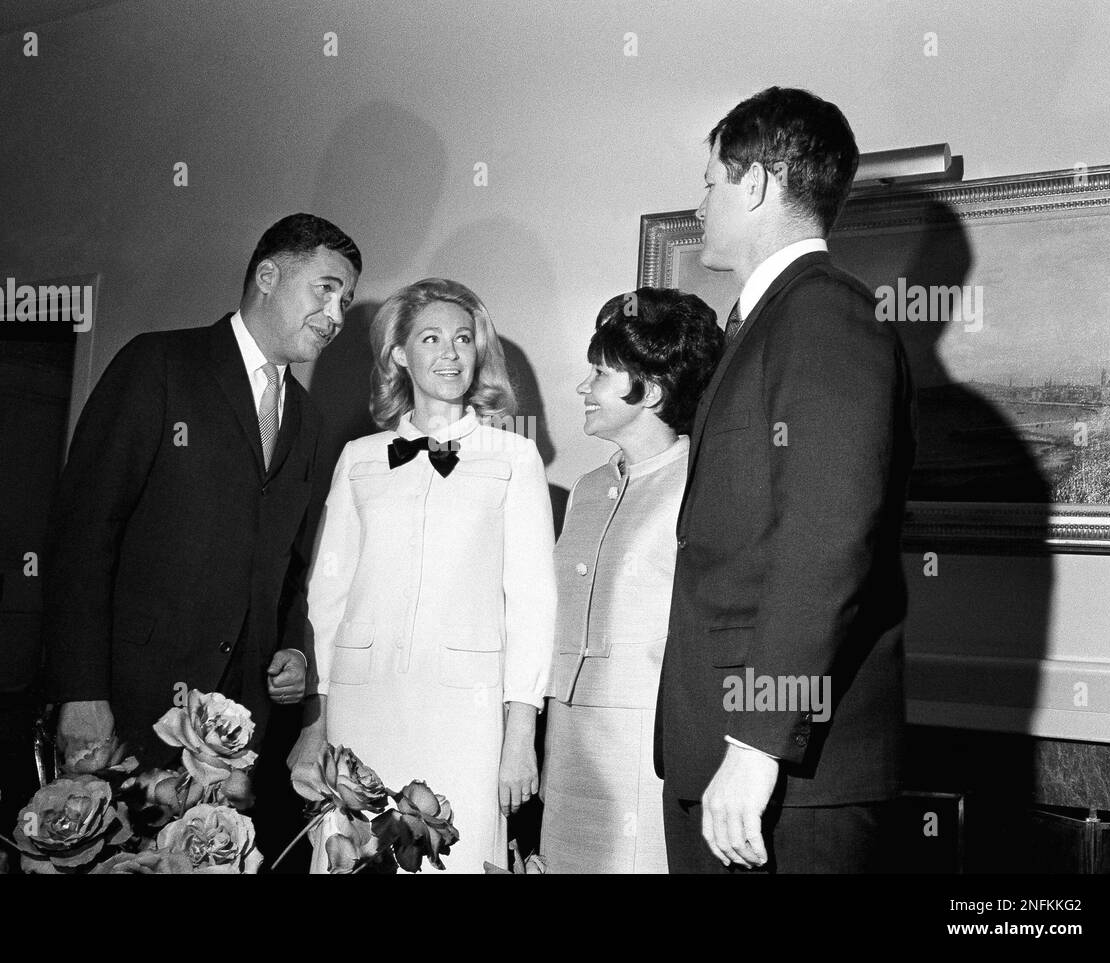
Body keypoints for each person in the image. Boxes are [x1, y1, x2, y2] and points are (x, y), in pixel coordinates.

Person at [656, 87, 917, 873]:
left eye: (711, 181)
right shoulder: (773, 320)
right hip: (740, 765)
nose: (700, 201)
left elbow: (826, 542)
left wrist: (757, 744)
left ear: (758, 184)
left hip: (778, 778)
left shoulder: (825, 316)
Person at [41, 214, 361, 853]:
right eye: (325, 289)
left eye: (346, 301)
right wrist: (81, 692)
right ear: (267, 276)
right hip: (131, 708)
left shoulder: (309, 418)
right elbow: (83, 535)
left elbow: (293, 566)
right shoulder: (158, 363)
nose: (335, 314)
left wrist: (295, 652)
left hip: (241, 732)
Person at [299, 278, 556, 873]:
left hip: (466, 712)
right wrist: (316, 719)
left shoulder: (515, 457)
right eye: (431, 338)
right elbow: (327, 597)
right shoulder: (359, 458)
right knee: (352, 859)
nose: (450, 352)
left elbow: (534, 602)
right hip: (360, 708)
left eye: (464, 339)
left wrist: (520, 732)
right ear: (397, 354)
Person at [541, 288, 722, 874]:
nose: (582, 389)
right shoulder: (589, 487)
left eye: (599, 374)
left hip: (647, 741)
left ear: (652, 391)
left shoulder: (701, 483)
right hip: (569, 735)